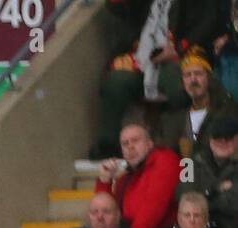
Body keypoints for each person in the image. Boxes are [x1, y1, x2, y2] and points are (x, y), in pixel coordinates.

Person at [94, 1, 225, 159]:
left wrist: (178, 48)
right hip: (142, 54)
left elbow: (208, 22)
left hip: (182, 53)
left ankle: (178, 147)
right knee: (116, 82)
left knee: (178, 88)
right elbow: (119, 9)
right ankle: (110, 147)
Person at [95, 122, 182, 228]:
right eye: (125, 144)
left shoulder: (164, 160)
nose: (130, 146)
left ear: (149, 144)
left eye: (135, 140)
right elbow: (104, 215)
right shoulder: (126, 178)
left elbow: (152, 212)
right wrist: (104, 181)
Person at [159, 48, 237, 162]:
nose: (193, 79)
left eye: (198, 74)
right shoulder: (174, 119)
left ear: (209, 78)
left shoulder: (229, 111)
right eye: (187, 75)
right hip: (188, 176)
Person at [187, 115, 238, 228]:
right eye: (217, 138)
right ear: (209, 139)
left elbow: (232, 204)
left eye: (228, 138)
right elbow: (182, 194)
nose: (222, 142)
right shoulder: (190, 161)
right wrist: (216, 188)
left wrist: (201, 199)